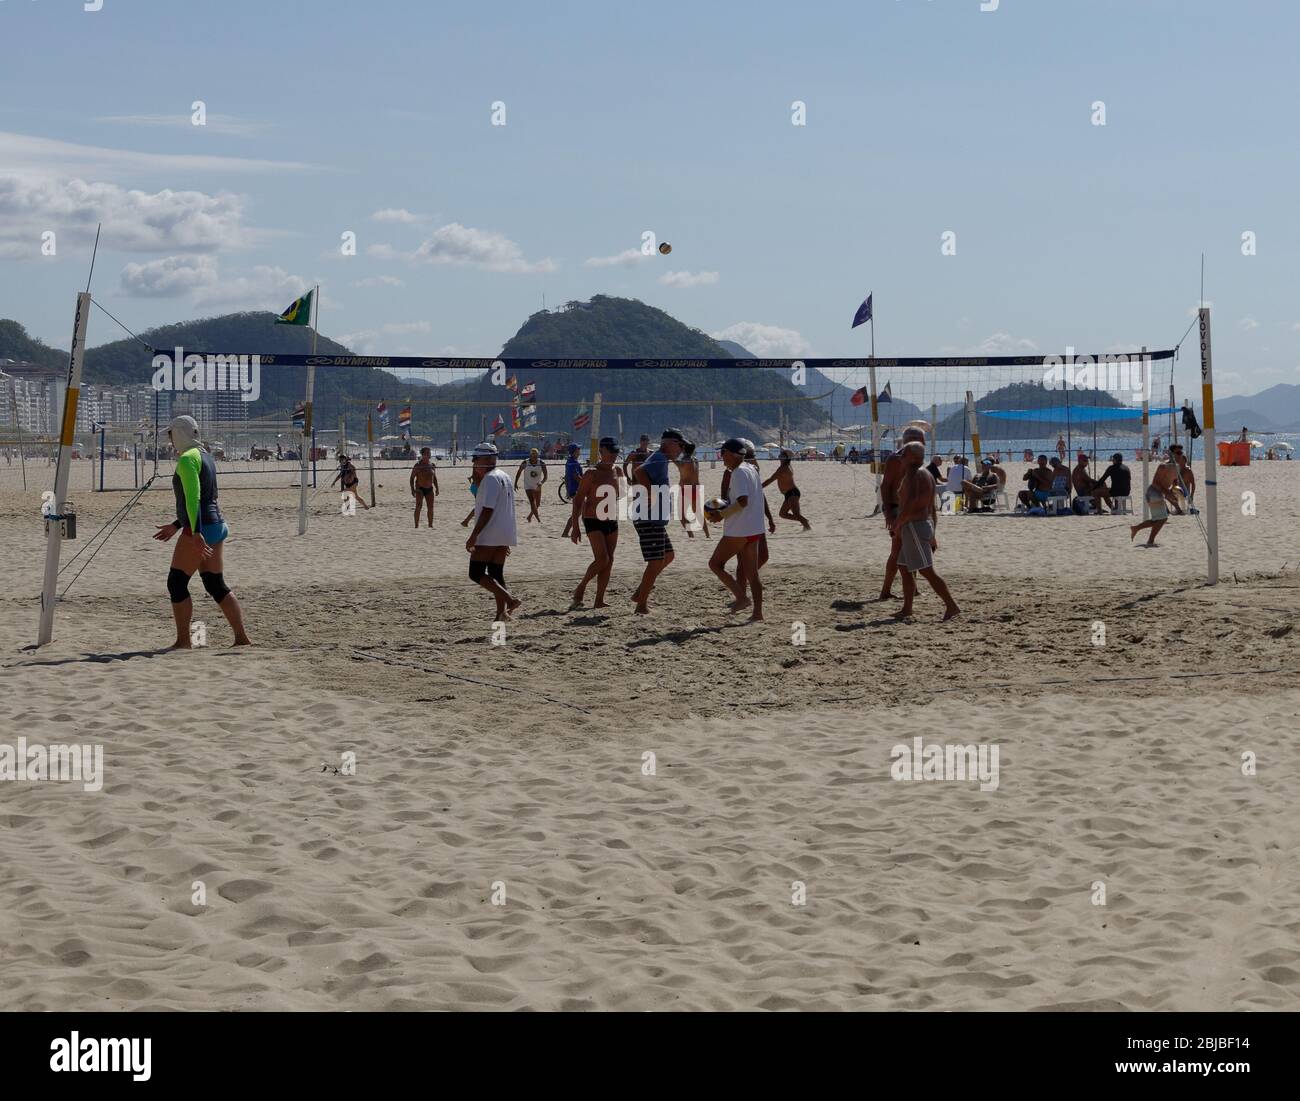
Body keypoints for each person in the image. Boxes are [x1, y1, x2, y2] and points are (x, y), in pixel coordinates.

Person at [153, 415, 251, 648]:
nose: (169, 439)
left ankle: (184, 641)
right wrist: (176, 525)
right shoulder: (205, 455)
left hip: (202, 528)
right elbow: (204, 498)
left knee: (176, 583)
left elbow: (194, 498)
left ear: (178, 434)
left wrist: (194, 532)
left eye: (170, 434)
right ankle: (241, 638)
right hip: (217, 524)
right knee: (215, 584)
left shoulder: (187, 459)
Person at [893, 441, 960, 622]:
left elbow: (911, 504)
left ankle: (951, 605)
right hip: (917, 525)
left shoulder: (916, 474)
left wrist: (898, 524)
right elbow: (931, 508)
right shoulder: (926, 474)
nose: (901, 456)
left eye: (904, 453)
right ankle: (907, 609)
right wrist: (932, 533)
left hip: (914, 525)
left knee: (926, 570)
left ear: (914, 456)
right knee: (904, 567)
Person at [706, 438, 766, 622]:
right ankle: (757, 613)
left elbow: (742, 501)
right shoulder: (751, 468)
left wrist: (720, 515)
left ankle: (741, 598)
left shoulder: (738, 473)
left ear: (731, 454)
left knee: (715, 564)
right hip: (754, 528)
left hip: (739, 529)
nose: (721, 457)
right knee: (752, 574)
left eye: (722, 453)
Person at [629, 429, 684, 614]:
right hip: (648, 517)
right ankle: (641, 605)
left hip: (654, 518)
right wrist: (651, 491)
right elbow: (639, 471)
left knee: (668, 556)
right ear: (670, 443)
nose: (681, 449)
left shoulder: (661, 458)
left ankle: (640, 593)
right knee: (656, 561)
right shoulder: (660, 457)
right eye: (680, 445)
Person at [466, 442, 522, 621]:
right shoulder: (504, 475)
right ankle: (501, 613)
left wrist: (474, 535)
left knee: (475, 573)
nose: (474, 463)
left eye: (477, 459)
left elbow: (488, 510)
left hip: (490, 534)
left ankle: (510, 600)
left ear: (489, 459)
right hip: (504, 531)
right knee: (496, 574)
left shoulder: (490, 478)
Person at [569, 437, 621, 608]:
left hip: (611, 520)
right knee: (602, 559)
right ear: (601, 452)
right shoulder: (591, 473)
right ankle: (581, 587)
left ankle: (599, 600)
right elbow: (577, 500)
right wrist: (575, 527)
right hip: (592, 520)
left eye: (616, 452)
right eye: (610, 451)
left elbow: (621, 494)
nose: (614, 455)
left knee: (610, 560)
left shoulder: (617, 470)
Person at [877, 427, 928, 600]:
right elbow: (885, 486)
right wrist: (889, 514)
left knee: (908, 549)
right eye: (913, 438)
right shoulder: (896, 459)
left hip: (909, 510)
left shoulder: (916, 458)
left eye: (919, 439)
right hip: (896, 508)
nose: (917, 442)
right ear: (905, 441)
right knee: (898, 549)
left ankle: (910, 589)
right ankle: (886, 591)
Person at [1130, 454, 1181, 547]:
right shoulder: (1163, 467)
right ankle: (1147, 538)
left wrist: (1172, 492)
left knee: (1157, 520)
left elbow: (1173, 482)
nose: (1179, 457)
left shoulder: (1177, 468)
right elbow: (1155, 483)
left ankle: (1137, 529)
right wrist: (1168, 493)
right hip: (1153, 491)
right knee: (1162, 519)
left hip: (1159, 493)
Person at [764, 449, 811, 530]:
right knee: (783, 514)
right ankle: (804, 521)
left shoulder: (784, 468)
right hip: (789, 493)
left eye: (781, 455)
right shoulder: (783, 466)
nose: (779, 456)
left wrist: (758, 487)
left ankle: (808, 527)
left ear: (785, 458)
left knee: (796, 514)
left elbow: (770, 480)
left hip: (792, 493)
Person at [676, 439, 709, 539]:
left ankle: (691, 536)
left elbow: (678, 464)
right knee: (698, 513)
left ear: (684, 449)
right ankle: (707, 535)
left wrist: (676, 455)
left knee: (681, 515)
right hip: (695, 488)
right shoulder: (695, 459)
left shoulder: (684, 461)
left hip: (687, 489)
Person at [515, 448, 547, 523]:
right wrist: (515, 483)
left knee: (538, 504)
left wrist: (541, 483)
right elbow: (519, 472)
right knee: (532, 502)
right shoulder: (525, 462)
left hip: (537, 485)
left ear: (538, 455)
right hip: (528, 485)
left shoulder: (542, 463)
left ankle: (529, 517)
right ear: (530, 455)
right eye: (532, 454)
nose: (534, 456)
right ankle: (538, 520)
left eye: (535, 454)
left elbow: (545, 476)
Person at [410, 446, 439, 527]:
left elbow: (434, 478)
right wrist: (412, 489)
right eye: (427, 453)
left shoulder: (432, 465)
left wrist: (437, 488)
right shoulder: (418, 465)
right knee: (418, 507)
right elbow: (412, 478)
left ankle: (430, 525)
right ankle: (416, 525)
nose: (429, 454)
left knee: (430, 507)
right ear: (423, 454)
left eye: (429, 452)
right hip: (420, 489)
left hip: (430, 489)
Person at [560, 443, 584, 540]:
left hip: (574, 489)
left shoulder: (572, 461)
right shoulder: (572, 462)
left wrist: (567, 490)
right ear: (574, 451)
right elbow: (576, 476)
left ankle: (566, 532)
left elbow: (566, 477)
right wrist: (586, 484)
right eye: (578, 449)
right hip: (576, 490)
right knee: (577, 513)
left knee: (578, 512)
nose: (580, 451)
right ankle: (565, 532)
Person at [1169, 443, 1197, 513]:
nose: (1181, 461)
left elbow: (1193, 484)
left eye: (1183, 460)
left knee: (1176, 489)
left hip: (1184, 493)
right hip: (1176, 492)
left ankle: (1179, 509)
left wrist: (1192, 495)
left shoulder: (1188, 470)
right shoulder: (1175, 468)